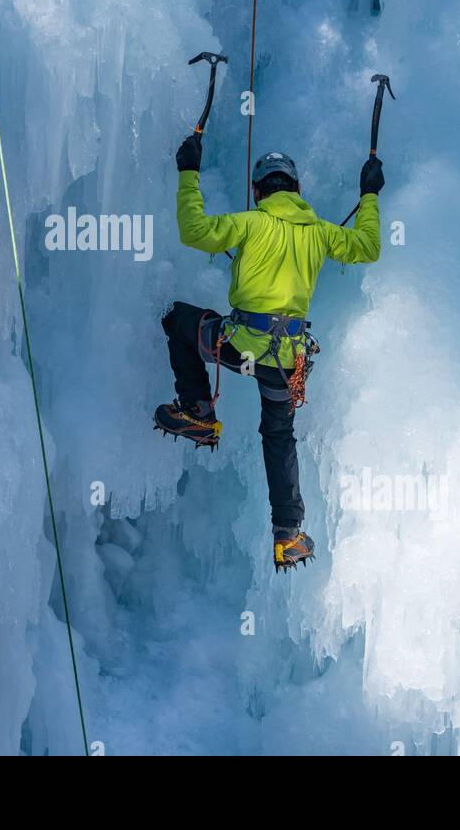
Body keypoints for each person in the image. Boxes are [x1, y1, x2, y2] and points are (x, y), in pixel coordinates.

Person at [154, 134, 383, 571]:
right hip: (286, 363)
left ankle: (199, 411)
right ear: (297, 191)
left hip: (240, 348)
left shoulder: (249, 222)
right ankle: (288, 535)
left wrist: (188, 172)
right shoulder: (320, 233)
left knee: (177, 320)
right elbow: (367, 246)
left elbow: (194, 230)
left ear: (258, 191)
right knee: (278, 437)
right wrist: (369, 194)